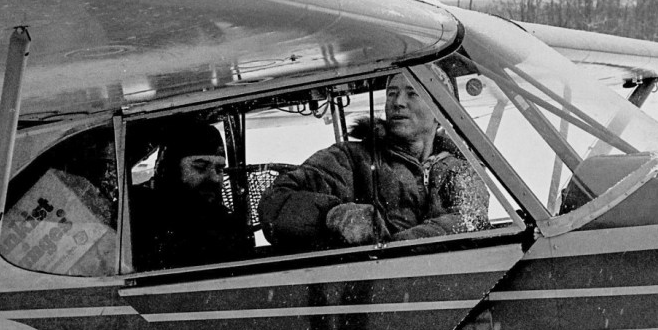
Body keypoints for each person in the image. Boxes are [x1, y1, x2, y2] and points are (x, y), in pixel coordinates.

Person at [258, 68, 490, 249]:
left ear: (440, 112)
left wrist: (393, 249)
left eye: (412, 93)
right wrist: (333, 215)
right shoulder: (351, 158)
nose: (398, 102)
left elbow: (468, 221)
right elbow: (275, 203)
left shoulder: (462, 171)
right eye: (392, 93)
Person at [132, 119, 251, 270]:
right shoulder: (135, 213)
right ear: (170, 168)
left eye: (219, 169)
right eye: (200, 167)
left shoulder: (227, 225)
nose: (215, 178)